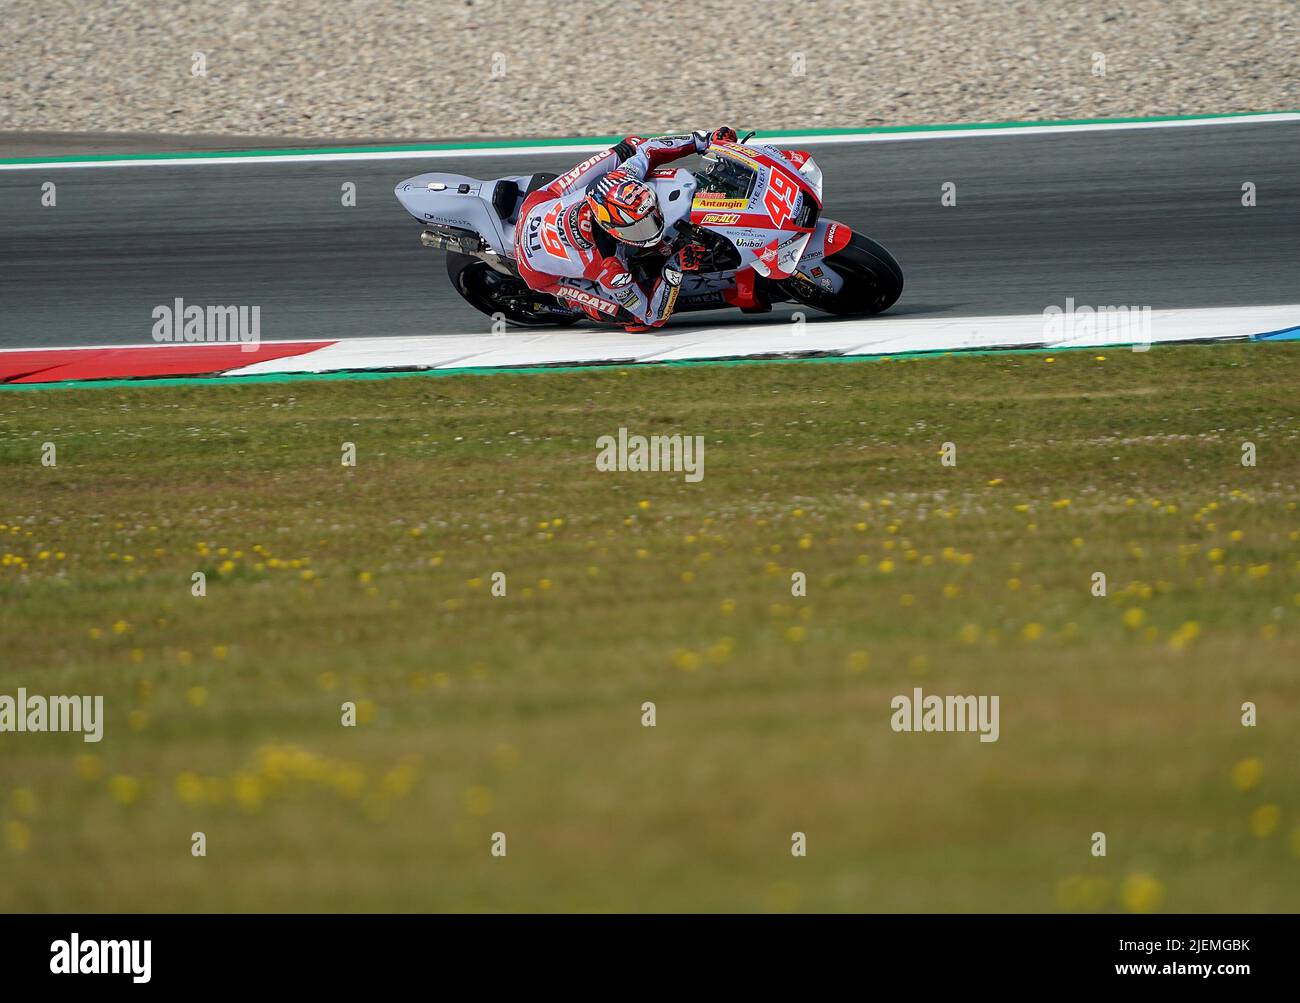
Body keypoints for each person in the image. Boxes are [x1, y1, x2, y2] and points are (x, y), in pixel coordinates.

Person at [514, 127, 738, 332]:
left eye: (651, 216)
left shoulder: (623, 177)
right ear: (613, 230)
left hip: (540, 202)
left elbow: (648, 150)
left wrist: (705, 141)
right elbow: (653, 315)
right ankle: (568, 303)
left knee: (632, 145)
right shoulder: (609, 269)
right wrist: (674, 268)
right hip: (535, 270)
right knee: (635, 320)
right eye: (639, 229)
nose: (652, 230)